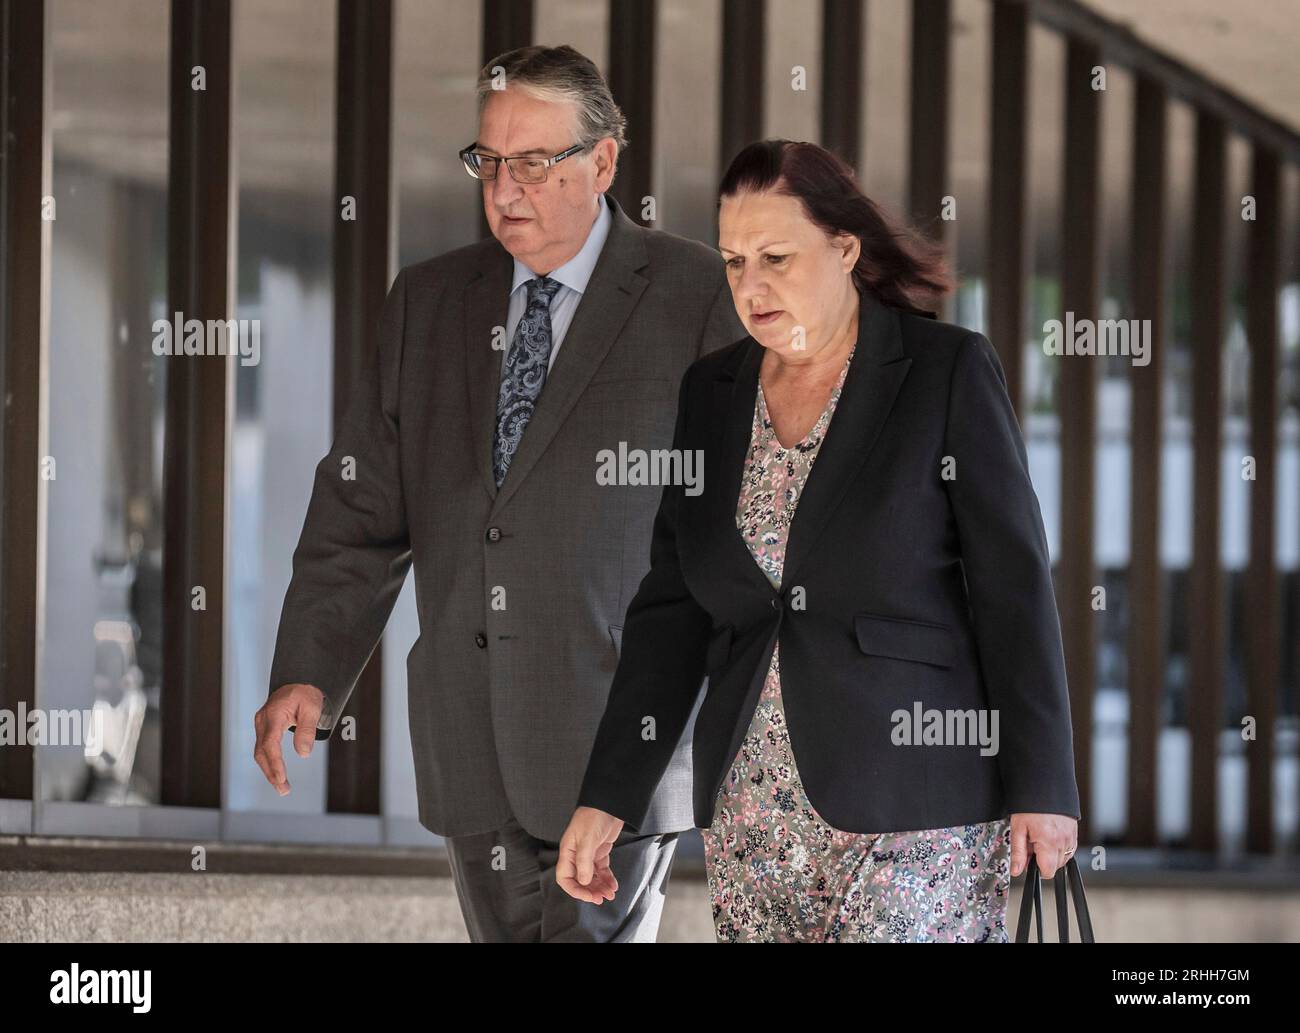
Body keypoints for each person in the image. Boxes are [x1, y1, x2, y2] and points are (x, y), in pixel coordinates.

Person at [253, 44, 744, 943]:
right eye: (489, 162)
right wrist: (309, 668)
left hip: (622, 730)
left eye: (532, 163)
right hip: (471, 733)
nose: (505, 188)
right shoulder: (430, 302)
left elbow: (741, 517)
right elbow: (361, 508)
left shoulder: (697, 294)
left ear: (602, 161)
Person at [560, 139, 1081, 943]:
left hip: (915, 809)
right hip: (751, 817)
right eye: (734, 263)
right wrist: (609, 794)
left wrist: (1044, 784)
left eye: (775, 256)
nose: (751, 285)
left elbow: (1014, 591)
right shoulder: (711, 393)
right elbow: (671, 614)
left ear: (845, 248)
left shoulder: (945, 371)